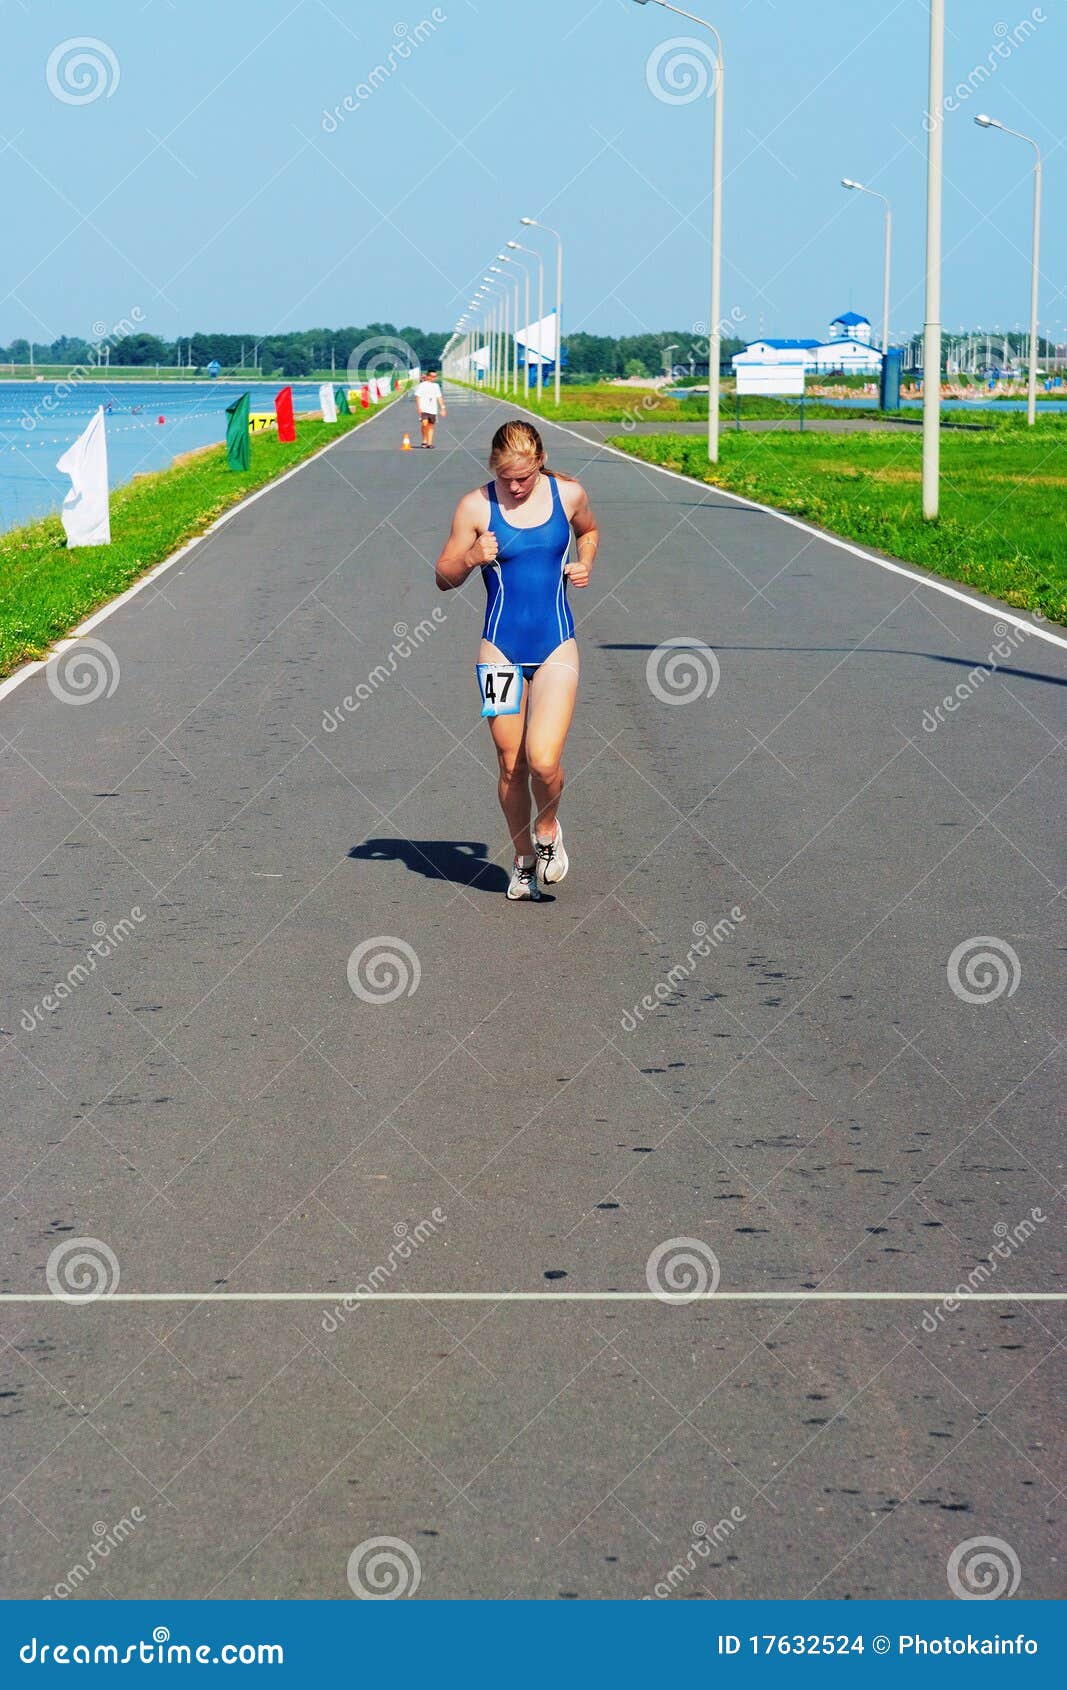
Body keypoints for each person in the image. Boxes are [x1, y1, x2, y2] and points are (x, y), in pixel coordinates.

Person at [435, 419, 599, 901]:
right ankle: (524, 858)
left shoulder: (568, 495)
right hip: (498, 651)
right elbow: (443, 576)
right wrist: (469, 558)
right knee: (511, 764)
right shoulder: (475, 506)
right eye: (506, 477)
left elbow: (589, 531)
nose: (515, 486)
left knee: (543, 760)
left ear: (540, 463)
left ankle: (548, 830)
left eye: (523, 477)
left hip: (556, 644)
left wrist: (585, 561)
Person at [412, 369, 446, 447]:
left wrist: (442, 408)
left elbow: (439, 397)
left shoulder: (436, 386)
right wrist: (419, 407)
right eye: (432, 376)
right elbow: (418, 396)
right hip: (424, 408)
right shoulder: (422, 385)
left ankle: (429, 443)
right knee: (424, 423)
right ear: (427, 376)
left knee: (431, 425)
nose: (434, 378)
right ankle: (424, 440)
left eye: (435, 376)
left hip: (433, 409)